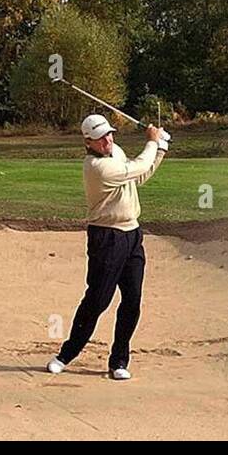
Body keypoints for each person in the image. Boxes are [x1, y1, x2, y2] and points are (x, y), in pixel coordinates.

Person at [47, 113, 169, 380]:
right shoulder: (96, 167)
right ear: (88, 142)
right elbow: (134, 168)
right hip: (107, 238)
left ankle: (119, 362)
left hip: (132, 235)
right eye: (101, 137)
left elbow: (139, 176)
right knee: (98, 300)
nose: (108, 140)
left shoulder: (117, 152)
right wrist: (152, 142)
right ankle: (65, 355)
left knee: (132, 300)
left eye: (110, 134)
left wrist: (160, 150)